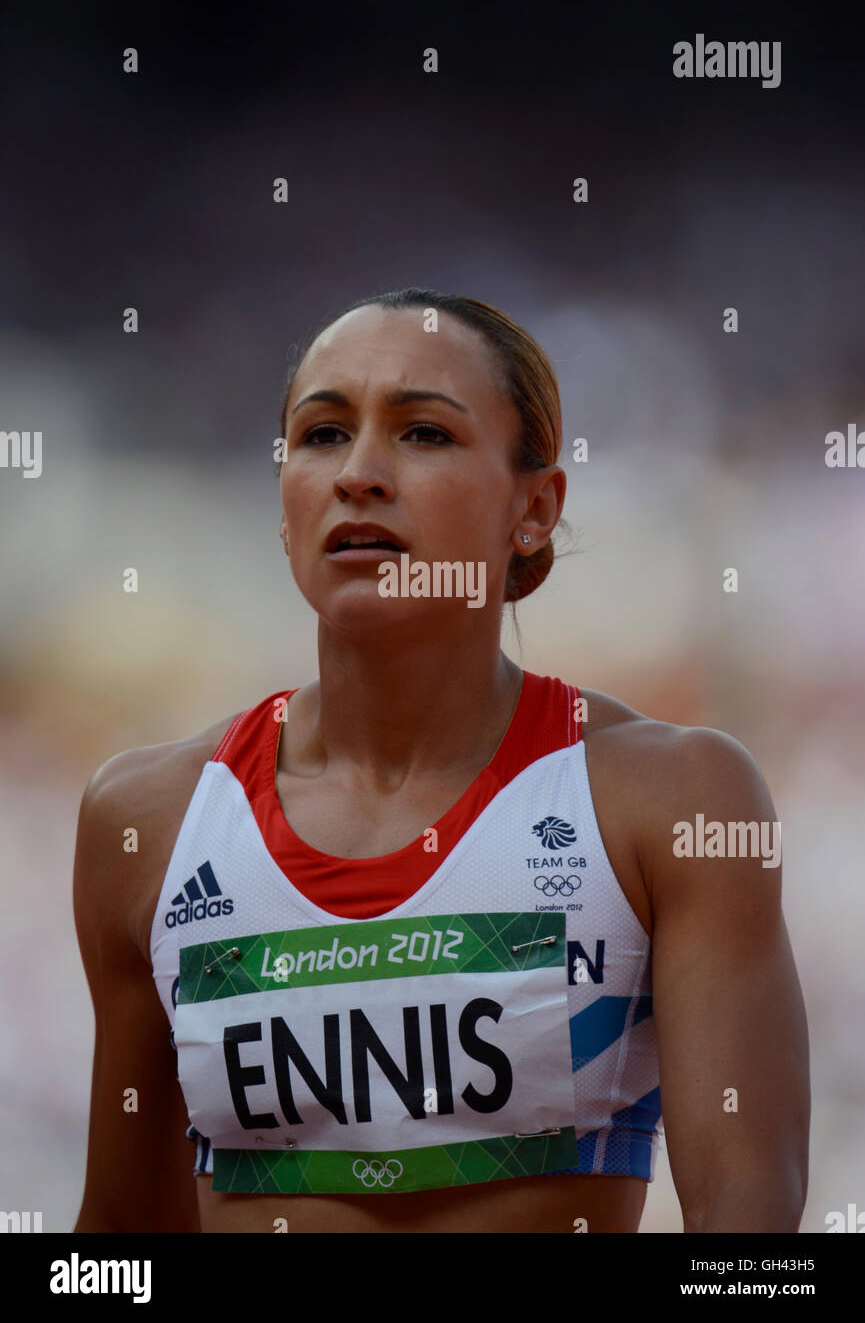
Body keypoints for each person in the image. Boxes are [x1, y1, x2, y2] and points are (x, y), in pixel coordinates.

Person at [73, 288, 810, 1233]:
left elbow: (750, 1230)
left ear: (533, 509)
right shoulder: (147, 819)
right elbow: (115, 1248)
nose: (360, 475)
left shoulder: (669, 798)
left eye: (423, 434)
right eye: (322, 434)